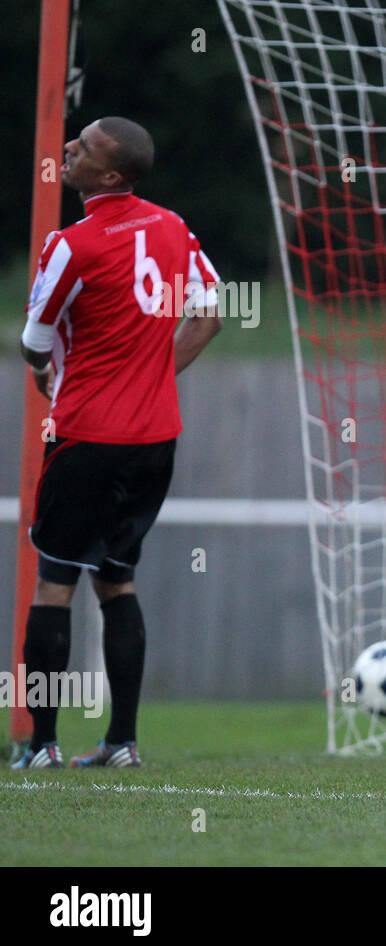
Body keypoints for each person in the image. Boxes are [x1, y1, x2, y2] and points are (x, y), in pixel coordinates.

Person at [13, 116, 223, 769]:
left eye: (82, 149)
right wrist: (155, 370)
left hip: (88, 436)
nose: (67, 149)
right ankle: (122, 743)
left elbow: (33, 342)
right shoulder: (170, 225)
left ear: (108, 176)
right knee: (117, 580)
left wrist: (55, 374)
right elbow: (211, 309)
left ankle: (43, 745)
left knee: (54, 582)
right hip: (154, 438)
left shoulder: (69, 245)